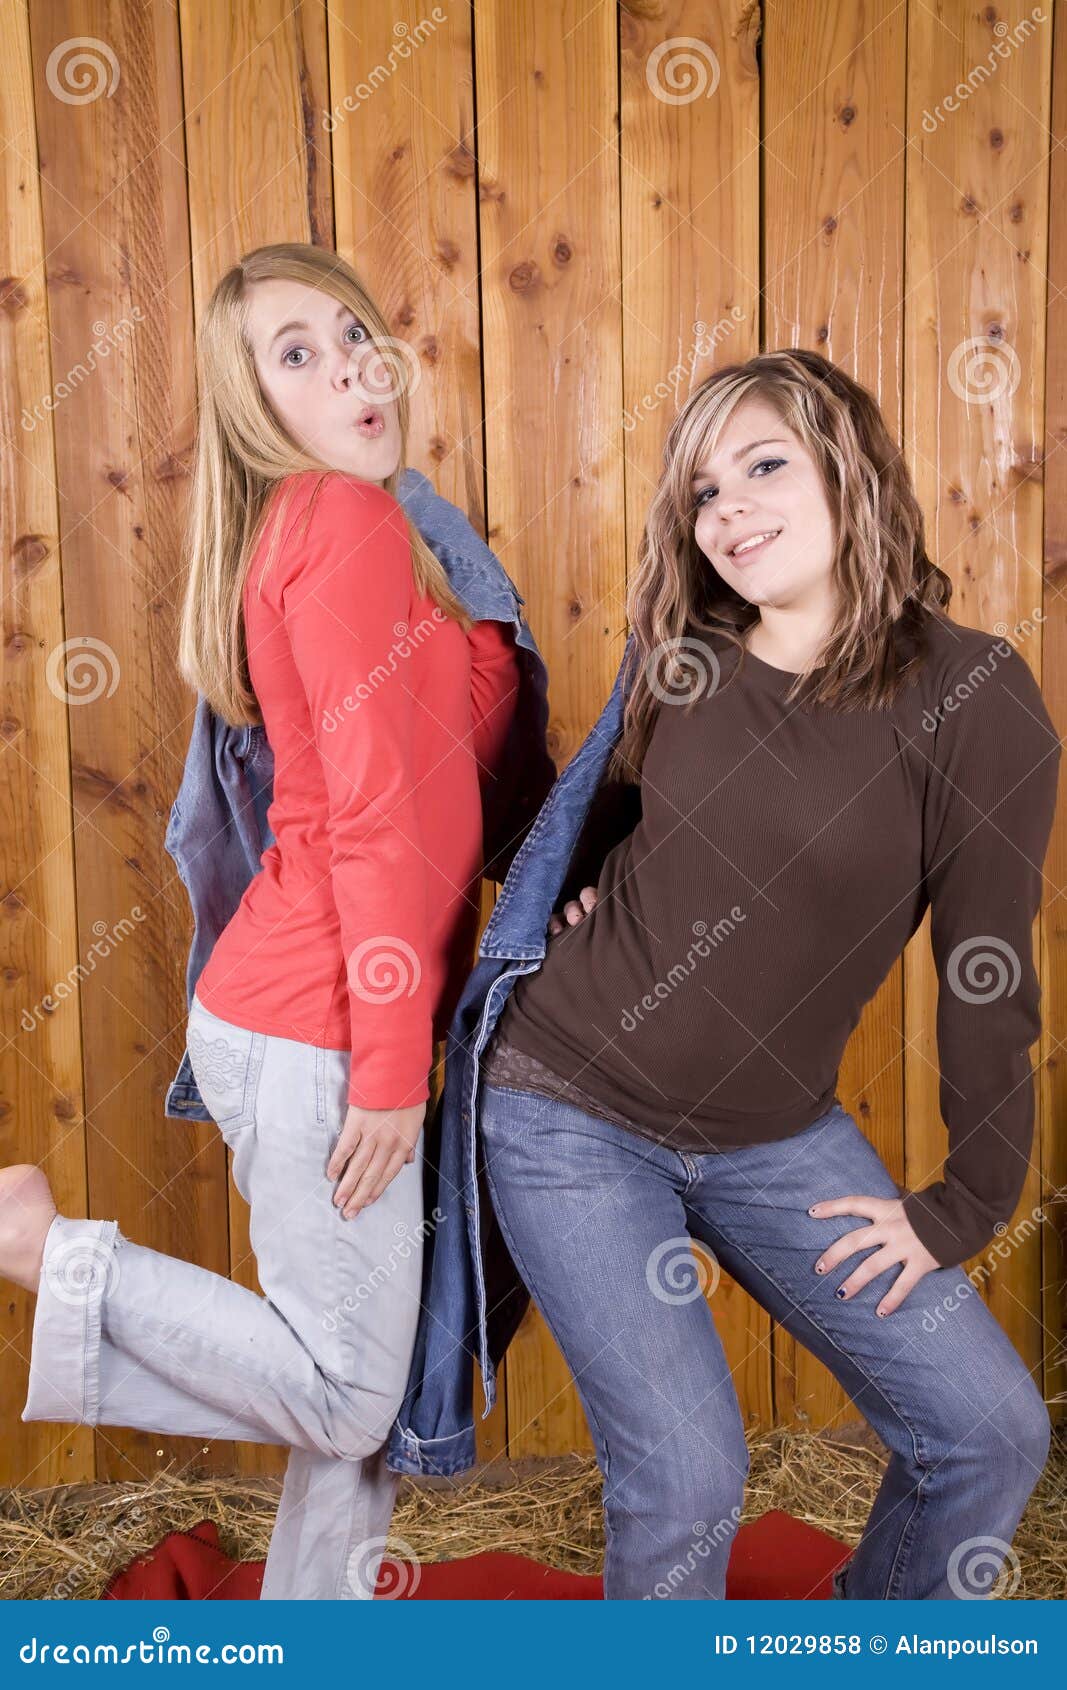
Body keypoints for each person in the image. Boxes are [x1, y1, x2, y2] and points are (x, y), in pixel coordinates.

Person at [475, 349, 1061, 1599]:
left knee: (989, 1431)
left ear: (849, 471)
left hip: (770, 1138)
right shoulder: (684, 655)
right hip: (566, 1105)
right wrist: (586, 887)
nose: (727, 509)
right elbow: (616, 824)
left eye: (761, 465)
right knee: (687, 1479)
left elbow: (983, 966)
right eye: (700, 492)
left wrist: (962, 1203)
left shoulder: (971, 697)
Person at [1, 241, 529, 1599]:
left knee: (350, 1407)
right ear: (252, 404)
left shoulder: (345, 537)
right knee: (355, 1394)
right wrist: (392, 1064)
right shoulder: (337, 524)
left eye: (350, 331)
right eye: (294, 352)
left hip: (305, 1002)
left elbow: (436, 768)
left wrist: (478, 640)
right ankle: (42, 1249)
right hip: (323, 1017)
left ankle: (312, 1644)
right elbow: (368, 823)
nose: (346, 361)